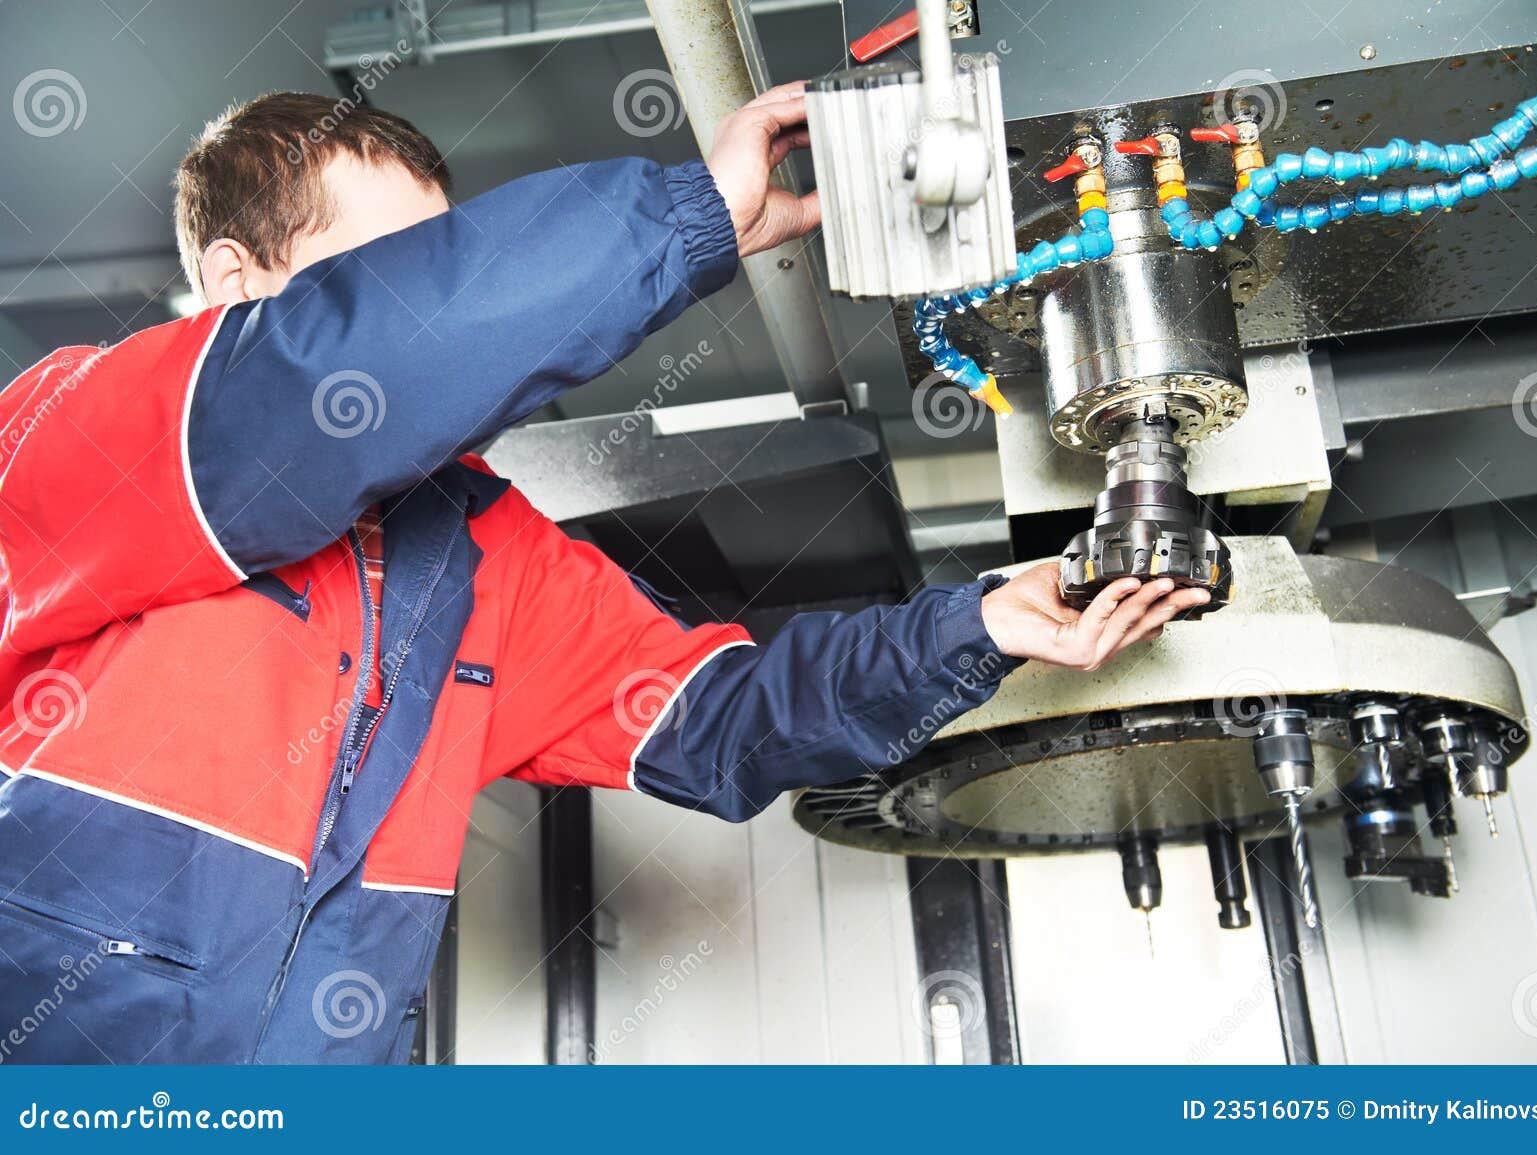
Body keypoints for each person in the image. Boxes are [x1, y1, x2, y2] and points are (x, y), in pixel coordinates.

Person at [0, 85, 1206, 1064]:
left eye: (444, 265)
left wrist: (980, 626)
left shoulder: (480, 556)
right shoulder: (83, 432)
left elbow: (714, 718)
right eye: (392, 275)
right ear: (236, 283)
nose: (440, 317)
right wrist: (687, 222)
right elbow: (332, 384)